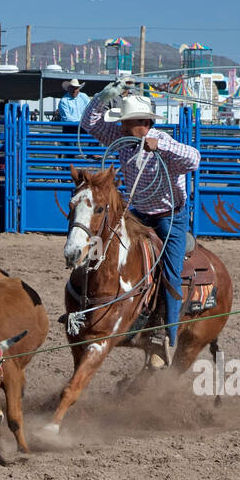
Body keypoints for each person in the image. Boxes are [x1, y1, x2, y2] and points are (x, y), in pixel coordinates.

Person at [80, 83, 201, 369]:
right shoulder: (122, 139)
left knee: (171, 273)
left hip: (169, 215)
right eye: (121, 122)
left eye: (127, 122)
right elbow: (89, 122)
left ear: (145, 124)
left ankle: (167, 337)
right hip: (137, 213)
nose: (121, 127)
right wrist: (106, 95)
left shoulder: (162, 141)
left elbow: (194, 159)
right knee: (106, 252)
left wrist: (162, 146)